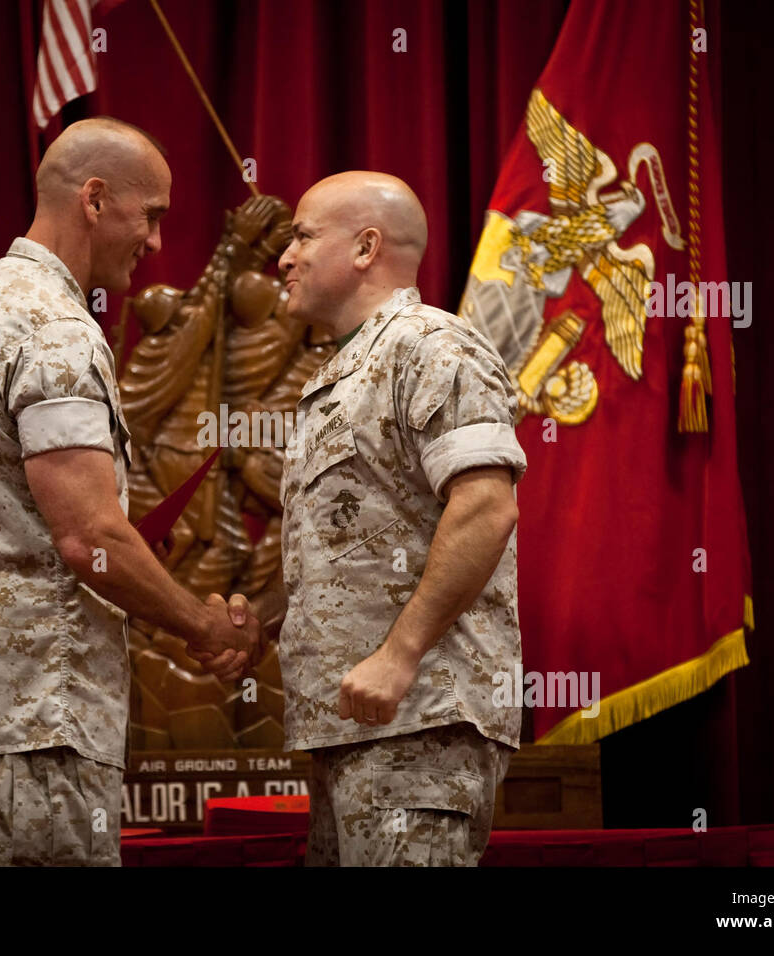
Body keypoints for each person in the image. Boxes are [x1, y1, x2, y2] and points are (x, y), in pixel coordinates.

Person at [0, 117, 260, 866]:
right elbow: (89, 539)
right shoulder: (54, 326)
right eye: (150, 214)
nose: (157, 242)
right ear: (94, 199)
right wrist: (203, 626)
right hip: (43, 715)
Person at [251, 171, 526, 866]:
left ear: (366, 247)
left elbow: (487, 507)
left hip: (420, 725)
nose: (284, 257)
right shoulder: (340, 373)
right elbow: (353, 549)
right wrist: (261, 626)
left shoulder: (433, 346)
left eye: (303, 236)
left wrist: (401, 654)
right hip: (353, 730)